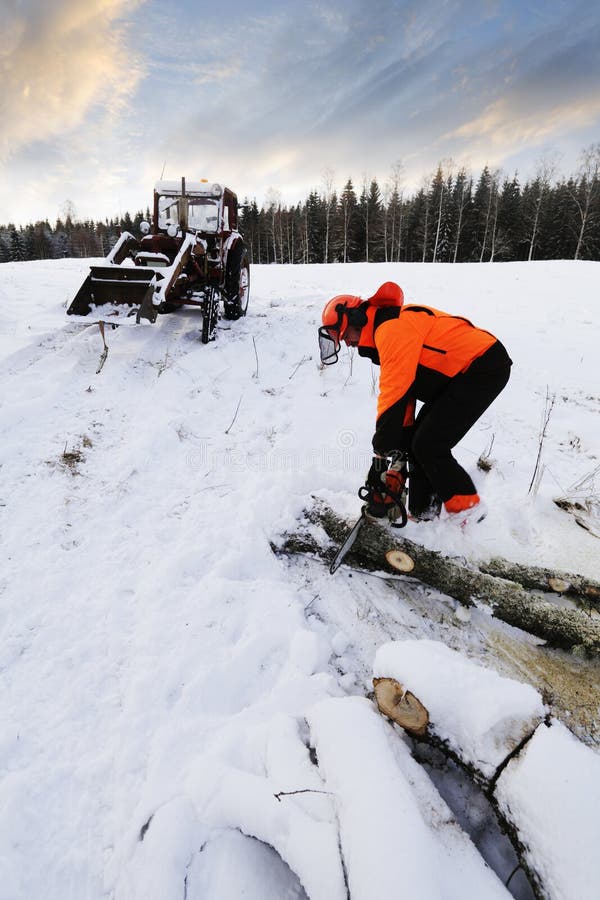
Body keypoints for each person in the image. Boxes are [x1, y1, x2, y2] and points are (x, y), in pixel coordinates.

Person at [318, 282, 512, 523]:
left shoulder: (390, 330)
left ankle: (469, 513)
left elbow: (394, 391)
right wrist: (399, 446)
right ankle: (423, 514)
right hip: (458, 375)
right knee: (416, 442)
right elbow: (405, 392)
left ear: (356, 318)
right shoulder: (384, 330)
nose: (347, 343)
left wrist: (380, 456)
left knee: (430, 444)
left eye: (346, 334)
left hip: (481, 366)